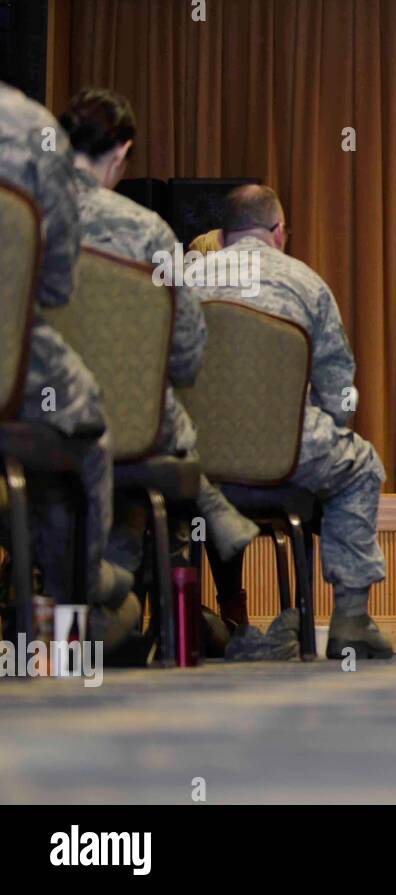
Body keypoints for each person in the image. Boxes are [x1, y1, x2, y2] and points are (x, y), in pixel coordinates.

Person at [58, 88, 259, 581]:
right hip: (122, 422)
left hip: (29, 419)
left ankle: (62, 617)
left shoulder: (22, 217)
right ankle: (136, 589)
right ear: (123, 150)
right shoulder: (146, 232)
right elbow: (187, 351)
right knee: (166, 430)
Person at [199, 185, 393, 659]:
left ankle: (172, 615)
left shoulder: (184, 280)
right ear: (279, 231)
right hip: (286, 452)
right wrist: (320, 433)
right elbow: (338, 390)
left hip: (197, 460)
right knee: (362, 465)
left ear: (222, 236)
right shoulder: (307, 284)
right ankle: (349, 620)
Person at [0, 81, 139, 649]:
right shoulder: (29, 127)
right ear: (123, 152)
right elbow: (55, 285)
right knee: (80, 422)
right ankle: (74, 605)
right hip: (15, 365)